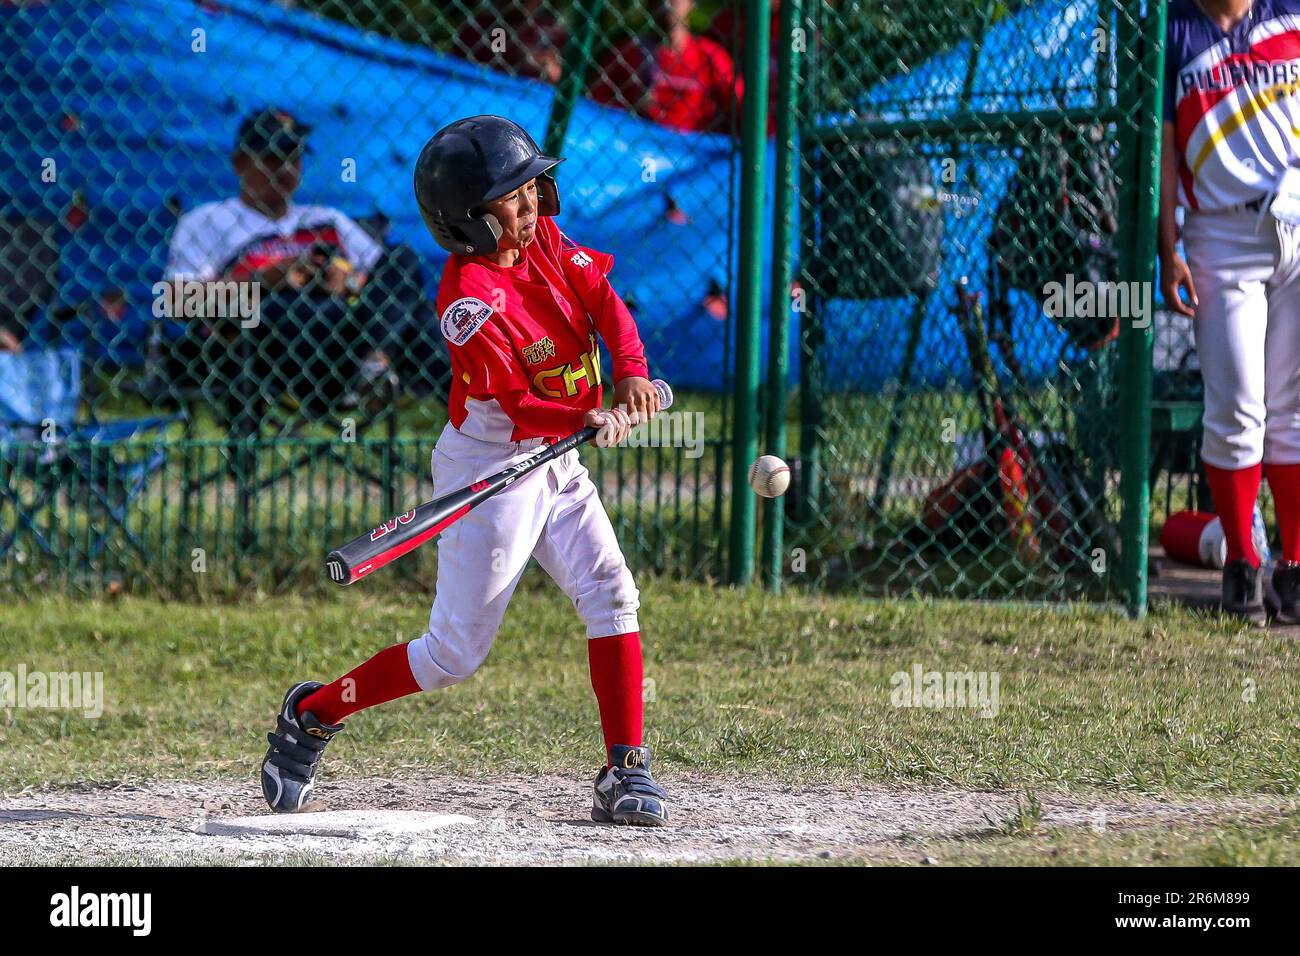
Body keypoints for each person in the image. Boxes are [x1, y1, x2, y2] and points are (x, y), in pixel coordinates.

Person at [259, 115, 671, 826]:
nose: (530, 206)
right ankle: (315, 712)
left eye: (531, 189)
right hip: (493, 460)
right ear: (468, 222)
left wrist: (630, 373)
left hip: (557, 452)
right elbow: (516, 401)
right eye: (510, 199)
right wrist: (586, 420)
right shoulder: (468, 300)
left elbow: (604, 301)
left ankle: (624, 767)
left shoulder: (543, 241)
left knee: (610, 590)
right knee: (452, 655)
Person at [1160, 0, 1300, 624]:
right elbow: (1164, 150)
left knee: (1293, 412)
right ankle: (1242, 563)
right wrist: (1169, 247)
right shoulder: (1174, 29)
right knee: (1238, 404)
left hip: (1296, 222)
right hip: (1220, 235)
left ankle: (1292, 567)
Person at [162, 108, 395, 431]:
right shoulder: (207, 220)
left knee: (402, 261)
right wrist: (267, 280)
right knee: (286, 306)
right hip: (263, 347)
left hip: (346, 337)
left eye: (294, 158)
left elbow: (386, 280)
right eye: (272, 158)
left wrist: (348, 281)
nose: (285, 169)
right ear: (240, 163)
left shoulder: (325, 218)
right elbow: (177, 302)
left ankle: (452, 390)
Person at [590, 0, 741, 134]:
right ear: (649, 5)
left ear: (691, 4)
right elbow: (596, 110)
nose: (666, 3)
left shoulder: (710, 56)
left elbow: (741, 105)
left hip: (695, 153)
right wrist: (629, 110)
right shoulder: (627, 54)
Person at [455, 0, 568, 83]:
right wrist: (522, 58)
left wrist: (550, 67)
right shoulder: (477, 28)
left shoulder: (550, 33)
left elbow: (559, 75)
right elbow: (495, 65)